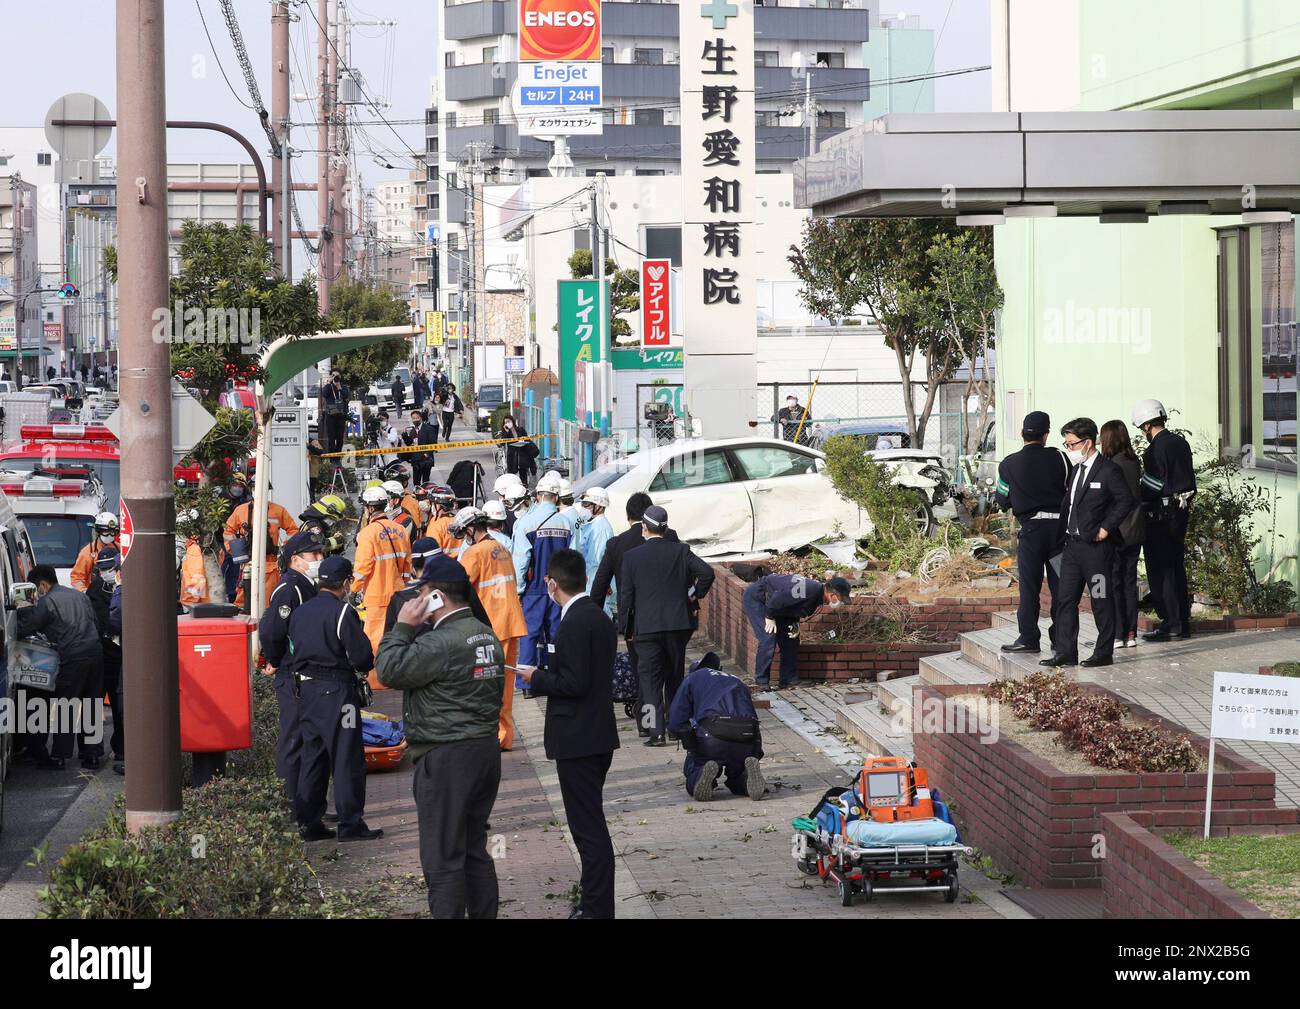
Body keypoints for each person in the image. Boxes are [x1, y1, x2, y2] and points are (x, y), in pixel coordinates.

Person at [376, 554, 507, 919]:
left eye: (423, 593)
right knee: (473, 850)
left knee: (443, 858)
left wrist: (402, 626)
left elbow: (387, 669)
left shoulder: (443, 642)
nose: (417, 601)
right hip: (483, 751)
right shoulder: (485, 634)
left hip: (446, 756)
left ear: (437, 596)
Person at [515, 549, 619, 919]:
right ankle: (594, 902)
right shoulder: (596, 616)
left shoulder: (575, 622)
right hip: (594, 734)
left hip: (579, 737)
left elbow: (574, 682)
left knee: (587, 828)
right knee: (588, 823)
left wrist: (536, 677)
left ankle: (595, 908)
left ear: (552, 583)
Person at [289, 555, 383, 842]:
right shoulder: (342, 612)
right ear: (345, 583)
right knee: (346, 756)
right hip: (338, 693)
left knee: (313, 757)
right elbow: (362, 657)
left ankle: (309, 823)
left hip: (306, 691)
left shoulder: (300, 612)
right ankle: (350, 823)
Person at [1042, 418, 1137, 669]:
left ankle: (1103, 651)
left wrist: (1106, 527)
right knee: (1064, 599)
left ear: (1088, 442)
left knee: (1100, 599)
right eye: (1067, 443)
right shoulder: (1077, 469)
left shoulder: (1108, 470)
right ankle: (1065, 652)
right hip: (1072, 547)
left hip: (1096, 550)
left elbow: (1125, 501)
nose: (1069, 449)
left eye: (1072, 444)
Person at [617, 505, 715, 745]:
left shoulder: (631, 557)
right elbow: (707, 573)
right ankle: (676, 726)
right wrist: (692, 594)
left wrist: (626, 629)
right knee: (674, 676)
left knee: (649, 680)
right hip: (677, 624)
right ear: (665, 527)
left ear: (644, 528)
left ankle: (655, 731)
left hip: (646, 627)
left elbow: (626, 598)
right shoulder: (681, 551)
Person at [258, 530, 326, 808]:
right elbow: (272, 630)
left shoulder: (306, 584)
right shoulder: (290, 588)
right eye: (315, 555)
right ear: (296, 559)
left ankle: (307, 803)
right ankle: (290, 805)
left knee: (309, 740)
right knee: (294, 740)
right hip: (292, 675)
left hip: (306, 675)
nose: (320, 559)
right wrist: (276, 660)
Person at [995, 410, 1071, 655]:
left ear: (1022, 434)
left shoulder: (1008, 464)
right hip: (1059, 534)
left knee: (1029, 587)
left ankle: (1028, 638)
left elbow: (1001, 499)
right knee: (1061, 587)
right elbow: (1071, 490)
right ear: (1046, 435)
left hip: (1031, 533)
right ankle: (1060, 639)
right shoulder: (1060, 457)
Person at [17, 565, 105, 770]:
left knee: (67, 705)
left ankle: (59, 757)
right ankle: (91, 756)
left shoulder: (47, 602)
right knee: (91, 704)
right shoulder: (79, 596)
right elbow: (96, 623)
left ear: (43, 585)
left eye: (36, 588)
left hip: (72, 658)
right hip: (95, 653)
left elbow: (28, 627)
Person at [457, 507, 528, 750]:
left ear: (470, 528)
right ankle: (503, 736)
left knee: (486, 682)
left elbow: (459, 588)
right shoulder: (501, 548)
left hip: (492, 626)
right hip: (510, 622)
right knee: (505, 684)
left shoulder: (475, 553)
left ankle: (490, 736)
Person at [1134, 400, 1197, 642]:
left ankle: (1170, 623)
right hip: (1180, 512)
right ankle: (1181, 621)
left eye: (1142, 428)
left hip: (1160, 517)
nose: (1143, 432)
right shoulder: (1180, 442)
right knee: (1176, 567)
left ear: (1148, 425)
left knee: (1161, 571)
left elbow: (1152, 487)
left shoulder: (1153, 451)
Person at [668, 652, 768, 802]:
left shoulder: (693, 678)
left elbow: (676, 718)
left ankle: (701, 772)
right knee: (739, 767)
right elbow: (753, 720)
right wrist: (755, 753)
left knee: (696, 762)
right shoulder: (736, 680)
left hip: (713, 736)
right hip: (747, 736)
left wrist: (684, 738)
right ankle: (744, 779)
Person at [512, 473, 572, 687]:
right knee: (555, 633)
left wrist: (517, 589)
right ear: (556, 497)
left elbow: (521, 560)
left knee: (529, 635)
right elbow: (575, 556)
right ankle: (553, 672)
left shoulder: (526, 523)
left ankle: (526, 682)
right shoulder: (566, 523)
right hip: (559, 589)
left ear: (538, 496)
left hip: (534, 588)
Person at [743, 573, 852, 689]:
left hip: (776, 606)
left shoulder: (816, 594)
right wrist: (769, 617)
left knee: (791, 640)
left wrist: (794, 624)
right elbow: (780, 597)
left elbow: (792, 604)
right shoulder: (812, 590)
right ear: (832, 595)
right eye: (841, 599)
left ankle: (788, 680)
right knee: (768, 639)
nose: (841, 603)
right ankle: (761, 681)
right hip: (760, 599)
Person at [1100, 420, 1145, 650]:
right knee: (1129, 583)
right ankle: (1131, 633)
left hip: (1116, 531)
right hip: (1136, 529)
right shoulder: (1133, 462)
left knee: (1114, 583)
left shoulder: (1111, 465)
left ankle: (1117, 633)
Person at [353, 484, 412, 655]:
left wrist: (354, 589)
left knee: (375, 643)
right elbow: (407, 566)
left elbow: (362, 567)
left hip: (376, 598)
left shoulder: (367, 533)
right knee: (398, 640)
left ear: (370, 508)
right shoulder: (401, 530)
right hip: (399, 595)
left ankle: (378, 681)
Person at [87, 547, 125, 773]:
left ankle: (120, 748)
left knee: (120, 707)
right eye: (102, 569)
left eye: (110, 569)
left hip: (119, 655)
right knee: (94, 703)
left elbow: (115, 621)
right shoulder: (95, 590)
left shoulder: (125, 589)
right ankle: (92, 752)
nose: (107, 573)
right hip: (102, 653)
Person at [574, 487, 615, 607]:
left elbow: (596, 561)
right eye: (583, 504)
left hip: (593, 582)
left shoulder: (601, 528)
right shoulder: (592, 525)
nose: (584, 508)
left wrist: (591, 585)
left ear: (600, 507)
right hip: (589, 580)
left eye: (588, 505)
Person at [71, 512, 119, 591]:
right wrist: (85, 593)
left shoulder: (120, 549)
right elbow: (76, 579)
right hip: (97, 596)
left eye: (113, 532)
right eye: (106, 532)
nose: (110, 535)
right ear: (98, 531)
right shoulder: (87, 552)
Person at [403, 408, 438, 485]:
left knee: (425, 482)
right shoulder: (413, 431)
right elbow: (410, 444)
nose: (415, 420)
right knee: (416, 482)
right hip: (416, 459)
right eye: (413, 418)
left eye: (417, 418)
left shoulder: (429, 428)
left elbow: (433, 443)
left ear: (421, 418)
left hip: (426, 459)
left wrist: (427, 453)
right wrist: (405, 435)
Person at [499, 415, 537, 484]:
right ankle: (512, 485)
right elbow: (502, 443)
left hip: (522, 453)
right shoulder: (505, 432)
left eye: (509, 421)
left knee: (523, 470)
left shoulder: (520, 429)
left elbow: (524, 438)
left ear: (512, 421)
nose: (508, 423)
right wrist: (507, 431)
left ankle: (524, 485)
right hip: (512, 454)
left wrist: (514, 431)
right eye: (506, 422)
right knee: (511, 472)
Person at [425, 484, 461, 552]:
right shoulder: (459, 521)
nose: (431, 506)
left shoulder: (436, 526)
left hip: (441, 561)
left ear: (439, 505)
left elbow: (431, 552)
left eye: (433, 503)